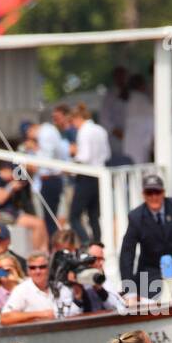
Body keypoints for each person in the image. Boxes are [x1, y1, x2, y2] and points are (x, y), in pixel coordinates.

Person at [118, 173, 172, 303]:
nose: (154, 196)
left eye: (157, 192)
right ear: (143, 194)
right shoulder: (136, 217)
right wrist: (129, 290)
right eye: (149, 193)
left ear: (163, 192)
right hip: (151, 274)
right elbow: (127, 254)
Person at [1, 250, 79, 325]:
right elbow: (5, 317)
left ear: (49, 269)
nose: (37, 271)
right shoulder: (21, 290)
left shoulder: (60, 287)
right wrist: (41, 314)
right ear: (28, 271)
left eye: (42, 267)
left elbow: (76, 311)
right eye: (33, 268)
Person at [69, 103, 110, 245]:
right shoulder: (100, 129)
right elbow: (106, 154)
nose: (73, 125)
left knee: (73, 217)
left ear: (77, 118)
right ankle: (98, 245)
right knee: (93, 216)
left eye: (73, 121)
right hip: (98, 176)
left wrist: (74, 156)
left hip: (86, 176)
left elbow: (84, 157)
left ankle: (87, 244)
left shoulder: (84, 131)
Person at [0, 162, 48, 251]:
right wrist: (11, 187)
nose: (14, 176)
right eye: (13, 172)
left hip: (10, 213)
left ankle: (44, 251)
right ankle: (37, 253)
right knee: (38, 224)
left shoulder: (6, 181)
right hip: (1, 215)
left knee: (40, 223)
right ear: (5, 170)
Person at [31, 105, 72, 236]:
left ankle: (52, 248)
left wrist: (34, 153)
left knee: (50, 221)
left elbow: (45, 161)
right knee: (52, 220)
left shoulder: (46, 132)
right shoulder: (53, 133)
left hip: (49, 180)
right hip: (52, 180)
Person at [123, 74, 155, 163]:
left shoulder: (132, 99)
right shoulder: (140, 99)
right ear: (141, 85)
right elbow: (152, 119)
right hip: (139, 140)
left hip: (132, 141)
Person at [100, 66, 129, 155]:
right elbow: (104, 120)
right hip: (116, 140)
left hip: (133, 137)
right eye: (119, 76)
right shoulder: (110, 95)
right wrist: (120, 134)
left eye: (124, 76)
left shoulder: (132, 93)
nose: (122, 79)